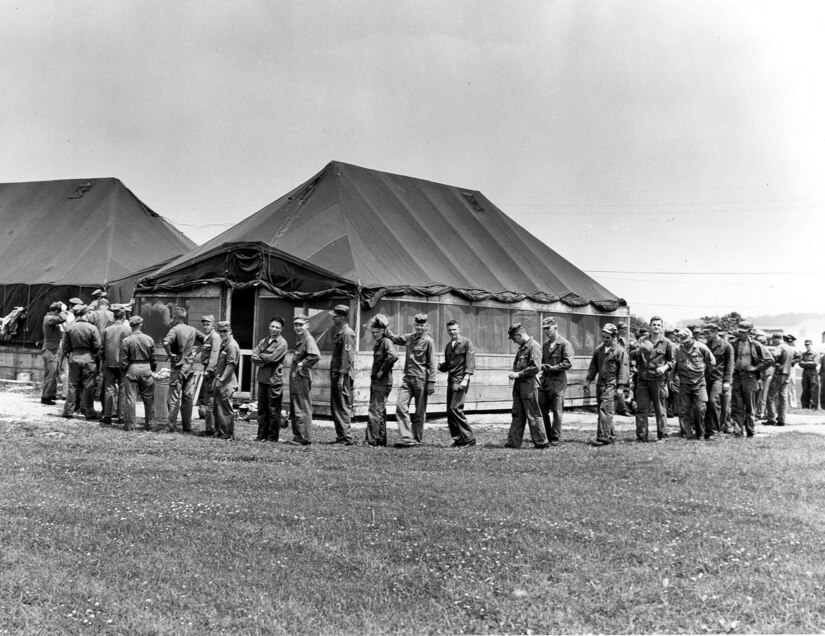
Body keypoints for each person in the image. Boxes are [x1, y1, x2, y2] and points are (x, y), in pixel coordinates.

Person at [387, 313, 437, 447]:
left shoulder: (429, 341)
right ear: (414, 325)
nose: (419, 328)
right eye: (417, 325)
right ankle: (406, 437)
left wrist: (431, 382)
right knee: (400, 407)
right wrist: (385, 327)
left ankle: (416, 439)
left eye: (422, 325)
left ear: (426, 326)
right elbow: (394, 338)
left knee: (420, 412)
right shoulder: (409, 338)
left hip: (421, 380)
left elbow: (433, 363)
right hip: (407, 379)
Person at [504, 323, 550, 449]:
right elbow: (516, 364)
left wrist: (518, 374)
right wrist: (514, 373)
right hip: (519, 386)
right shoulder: (522, 348)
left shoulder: (534, 347)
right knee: (517, 414)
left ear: (519, 335)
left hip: (529, 386)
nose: (514, 342)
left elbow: (536, 367)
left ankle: (541, 442)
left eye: (514, 339)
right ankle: (513, 442)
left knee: (533, 414)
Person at [583, 323, 629, 446]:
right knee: (603, 410)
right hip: (600, 384)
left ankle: (603, 438)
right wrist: (588, 381)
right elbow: (593, 367)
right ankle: (611, 435)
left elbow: (623, 370)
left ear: (614, 337)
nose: (605, 339)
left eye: (608, 337)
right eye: (603, 337)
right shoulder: (599, 350)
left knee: (605, 410)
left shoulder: (620, 351)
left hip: (612, 384)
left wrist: (620, 387)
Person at [633, 316, 676, 442]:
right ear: (650, 326)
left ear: (662, 327)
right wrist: (638, 351)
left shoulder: (667, 343)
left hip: (659, 380)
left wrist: (664, 368)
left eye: (658, 325)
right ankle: (641, 437)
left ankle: (662, 436)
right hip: (643, 379)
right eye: (654, 324)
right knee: (641, 409)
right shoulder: (642, 340)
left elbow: (673, 361)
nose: (656, 327)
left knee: (660, 410)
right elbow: (632, 355)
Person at [731, 321, 774, 438]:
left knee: (750, 406)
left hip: (750, 378)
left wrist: (755, 368)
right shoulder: (733, 344)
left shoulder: (755, 345)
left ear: (749, 332)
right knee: (737, 406)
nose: (740, 334)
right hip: (736, 377)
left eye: (744, 332)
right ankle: (738, 432)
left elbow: (769, 359)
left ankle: (750, 431)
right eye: (739, 331)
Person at [438, 319, 476, 448]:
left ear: (459, 329)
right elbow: (448, 365)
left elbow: (470, 363)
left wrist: (465, 380)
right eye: (450, 330)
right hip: (451, 381)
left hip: (460, 380)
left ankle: (469, 438)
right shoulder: (449, 346)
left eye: (454, 329)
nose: (452, 332)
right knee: (450, 411)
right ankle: (458, 439)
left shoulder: (466, 342)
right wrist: (435, 365)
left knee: (456, 409)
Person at [251, 316, 289, 442]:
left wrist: (261, 357)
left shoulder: (282, 343)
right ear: (269, 326)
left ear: (281, 329)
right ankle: (261, 435)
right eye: (272, 326)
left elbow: (273, 358)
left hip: (274, 381)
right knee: (262, 409)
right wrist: (263, 359)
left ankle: (272, 437)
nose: (274, 329)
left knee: (273, 410)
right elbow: (253, 356)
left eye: (277, 327)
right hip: (262, 379)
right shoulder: (264, 340)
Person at [673, 328, 715, 440]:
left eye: (687, 341)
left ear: (692, 338)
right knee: (684, 410)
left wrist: (706, 374)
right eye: (683, 342)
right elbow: (674, 366)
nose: (685, 343)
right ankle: (687, 434)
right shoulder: (678, 350)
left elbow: (712, 362)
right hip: (684, 383)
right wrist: (672, 379)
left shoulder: (701, 347)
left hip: (699, 383)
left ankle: (700, 433)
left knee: (700, 409)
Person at [61, 305, 102, 419]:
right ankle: (89, 412)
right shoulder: (92, 328)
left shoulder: (69, 327)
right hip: (88, 358)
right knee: (88, 385)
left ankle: (68, 411)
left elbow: (65, 346)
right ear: (85, 314)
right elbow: (97, 345)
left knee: (72, 385)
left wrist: (69, 353)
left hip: (74, 357)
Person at [537, 316, 573, 446]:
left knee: (557, 411)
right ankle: (546, 434)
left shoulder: (564, 344)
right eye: (544, 329)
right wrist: (541, 366)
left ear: (555, 327)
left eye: (548, 328)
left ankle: (556, 436)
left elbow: (568, 363)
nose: (546, 331)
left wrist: (553, 368)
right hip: (545, 381)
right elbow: (539, 362)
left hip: (558, 382)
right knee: (542, 410)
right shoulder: (545, 345)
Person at [163, 306, 198, 433]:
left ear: (175, 317)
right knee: (188, 397)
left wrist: (170, 355)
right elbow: (206, 340)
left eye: (172, 316)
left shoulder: (174, 329)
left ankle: (172, 426)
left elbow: (166, 343)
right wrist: (195, 353)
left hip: (178, 367)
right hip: (190, 366)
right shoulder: (192, 329)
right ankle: (187, 426)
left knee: (173, 397)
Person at [119, 316, 157, 431]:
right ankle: (151, 424)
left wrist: (123, 371)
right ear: (141, 325)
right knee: (149, 398)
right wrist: (152, 369)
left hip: (132, 368)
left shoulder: (126, 340)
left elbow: (123, 359)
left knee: (131, 398)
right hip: (146, 368)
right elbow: (153, 358)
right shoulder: (149, 339)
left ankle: (130, 425)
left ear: (131, 326)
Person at [288, 314, 320, 445]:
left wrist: (302, 364)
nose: (298, 327)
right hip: (296, 377)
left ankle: (305, 438)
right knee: (296, 405)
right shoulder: (301, 339)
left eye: (301, 325)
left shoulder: (308, 339)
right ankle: (298, 436)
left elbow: (315, 355)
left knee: (302, 406)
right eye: (296, 325)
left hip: (302, 377)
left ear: (307, 325)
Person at [366, 314, 398, 447]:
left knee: (374, 411)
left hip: (382, 382)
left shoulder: (386, 342)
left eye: (377, 332)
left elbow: (393, 356)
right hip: (377, 382)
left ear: (383, 331)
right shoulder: (379, 343)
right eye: (372, 332)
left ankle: (371, 441)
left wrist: (382, 370)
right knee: (380, 411)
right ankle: (380, 439)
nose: (374, 335)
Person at [329, 304, 357, 445]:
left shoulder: (347, 333)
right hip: (337, 374)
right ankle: (341, 436)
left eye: (336, 316)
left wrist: (341, 377)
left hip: (342, 376)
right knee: (337, 405)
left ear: (342, 317)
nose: (333, 318)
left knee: (342, 405)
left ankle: (346, 437)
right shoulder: (340, 332)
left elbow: (347, 357)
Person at [99, 307, 131, 426]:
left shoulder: (106, 330)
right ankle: (121, 416)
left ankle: (107, 415)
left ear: (113, 317)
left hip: (109, 363)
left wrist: (102, 361)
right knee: (123, 389)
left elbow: (101, 348)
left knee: (109, 389)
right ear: (123, 317)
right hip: (123, 364)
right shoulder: (128, 330)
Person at [703, 323, 734, 436]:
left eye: (708, 333)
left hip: (719, 379)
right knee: (705, 403)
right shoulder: (706, 346)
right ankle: (707, 429)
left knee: (713, 401)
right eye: (705, 333)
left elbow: (730, 365)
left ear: (716, 332)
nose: (706, 335)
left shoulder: (727, 346)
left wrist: (727, 381)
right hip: (707, 379)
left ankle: (715, 430)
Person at [196, 315, 222, 437]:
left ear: (213, 325)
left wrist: (209, 370)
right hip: (207, 369)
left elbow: (214, 354)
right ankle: (209, 427)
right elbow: (204, 349)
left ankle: (211, 429)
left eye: (208, 324)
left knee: (210, 400)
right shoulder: (208, 337)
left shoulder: (215, 337)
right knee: (207, 399)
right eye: (204, 324)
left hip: (211, 372)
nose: (205, 327)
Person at [213, 321, 240, 440]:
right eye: (221, 331)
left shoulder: (231, 345)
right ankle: (220, 431)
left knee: (226, 409)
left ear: (230, 331)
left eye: (225, 331)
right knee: (218, 407)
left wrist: (222, 379)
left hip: (227, 382)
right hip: (221, 380)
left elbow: (231, 365)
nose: (223, 333)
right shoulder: (224, 343)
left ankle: (227, 434)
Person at [40, 301, 68, 405]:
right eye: (59, 311)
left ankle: (51, 394)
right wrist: (64, 311)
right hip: (50, 350)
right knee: (50, 375)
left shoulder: (51, 319)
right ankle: (45, 397)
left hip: (53, 349)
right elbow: (61, 319)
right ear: (56, 311)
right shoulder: (48, 318)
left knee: (54, 373)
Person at [765, 333, 795, 427]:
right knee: (783, 397)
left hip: (779, 374)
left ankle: (771, 418)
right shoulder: (790, 348)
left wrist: (775, 363)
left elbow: (774, 355)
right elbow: (796, 357)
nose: (773, 341)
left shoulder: (780, 347)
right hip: (787, 374)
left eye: (774, 339)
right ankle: (782, 419)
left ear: (778, 339)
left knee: (771, 396)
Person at [799, 340, 819, 409]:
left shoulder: (815, 353)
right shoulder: (803, 354)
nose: (807, 346)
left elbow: (815, 364)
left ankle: (814, 406)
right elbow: (800, 364)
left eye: (808, 345)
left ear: (811, 345)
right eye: (806, 345)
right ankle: (805, 406)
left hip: (813, 374)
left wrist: (805, 363)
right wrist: (809, 363)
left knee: (813, 390)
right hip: (805, 373)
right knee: (805, 389)